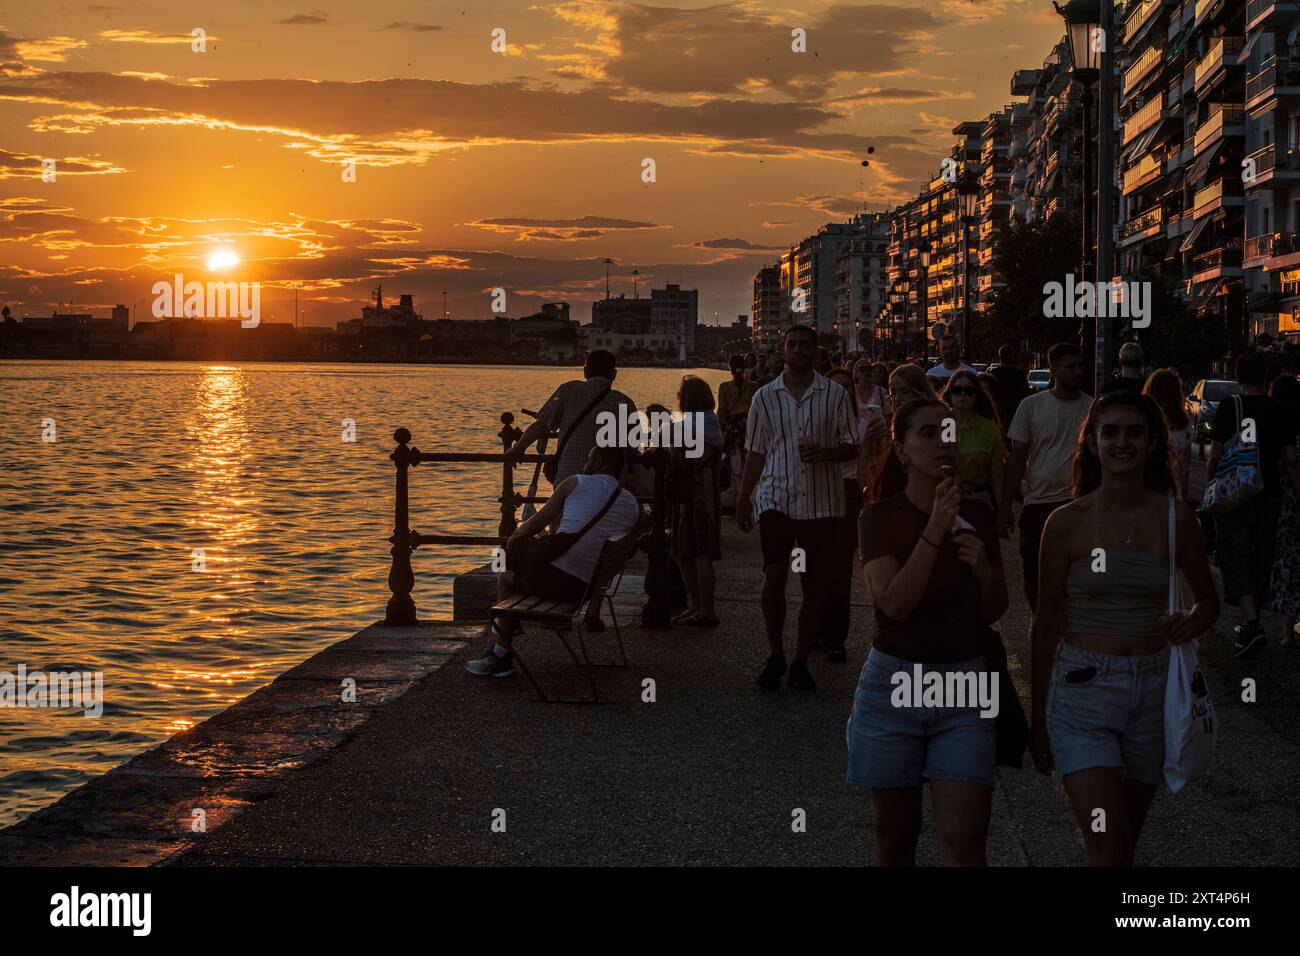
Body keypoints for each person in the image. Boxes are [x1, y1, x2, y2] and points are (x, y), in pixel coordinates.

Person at [1030, 391, 1219, 865]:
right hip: (1083, 692)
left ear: (1154, 442)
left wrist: (1190, 621)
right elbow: (1047, 619)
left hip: (1155, 695)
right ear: (1091, 443)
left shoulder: (1177, 518)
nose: (1122, 442)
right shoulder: (1064, 523)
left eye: (1134, 432)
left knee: (1123, 846)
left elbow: (1210, 600)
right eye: (1109, 431)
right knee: (1109, 847)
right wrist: (1036, 717)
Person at [848, 398, 1008, 865]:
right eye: (928, 433)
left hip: (962, 688)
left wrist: (982, 572)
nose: (943, 442)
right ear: (900, 449)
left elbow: (995, 609)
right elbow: (894, 603)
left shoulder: (977, 514)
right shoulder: (877, 517)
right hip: (893, 686)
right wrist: (935, 527)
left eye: (949, 433)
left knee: (963, 842)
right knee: (895, 839)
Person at [737, 324, 858, 691]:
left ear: (816, 351)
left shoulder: (834, 394)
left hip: (821, 503)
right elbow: (755, 452)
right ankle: (776, 654)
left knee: (813, 586)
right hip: (777, 496)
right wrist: (744, 499)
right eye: (793, 345)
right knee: (774, 576)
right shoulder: (765, 397)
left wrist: (827, 452)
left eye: (806, 345)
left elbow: (852, 443)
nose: (799, 351)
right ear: (783, 349)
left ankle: (801, 659)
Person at [467, 445, 641, 677]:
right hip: (583, 590)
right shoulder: (631, 503)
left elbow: (530, 527)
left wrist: (518, 540)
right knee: (516, 561)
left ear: (598, 462)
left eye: (588, 457)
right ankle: (508, 629)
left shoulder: (575, 482)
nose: (585, 463)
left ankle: (501, 654)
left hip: (556, 584)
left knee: (506, 571)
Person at [1206, 352, 1300, 657]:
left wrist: (1212, 485)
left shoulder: (1230, 406)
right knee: (1262, 556)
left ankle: (1251, 623)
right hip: (1269, 493)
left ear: (1237, 377)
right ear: (1265, 377)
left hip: (1236, 494)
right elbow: (1290, 461)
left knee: (1233, 555)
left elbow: (1216, 454)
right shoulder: (1283, 411)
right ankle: (1251, 623)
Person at [999, 343, 1092, 612]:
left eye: (1080, 365)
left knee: (1075, 570)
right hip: (1039, 501)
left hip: (1077, 502)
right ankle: (1038, 618)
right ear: (1054, 370)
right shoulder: (1032, 406)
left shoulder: (1092, 407)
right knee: (1033, 569)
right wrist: (1006, 506)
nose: (1078, 371)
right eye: (1070, 366)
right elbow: (1016, 458)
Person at [506, 349, 636, 485]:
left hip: (567, 480)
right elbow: (632, 447)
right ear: (614, 374)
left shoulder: (567, 390)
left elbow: (541, 425)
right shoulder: (624, 402)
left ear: (585, 371)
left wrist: (518, 449)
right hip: (606, 486)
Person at [820, 366, 868, 661]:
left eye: (846, 386)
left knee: (839, 569)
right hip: (818, 489)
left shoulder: (864, 421)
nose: (841, 391)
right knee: (812, 567)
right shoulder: (818, 419)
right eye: (834, 385)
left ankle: (836, 638)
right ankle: (814, 627)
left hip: (849, 492)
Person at [669, 376, 724, 626]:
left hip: (694, 498)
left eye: (680, 395)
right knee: (688, 553)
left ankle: (705, 608)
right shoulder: (710, 424)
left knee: (696, 553)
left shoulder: (691, 427)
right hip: (703, 497)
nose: (678, 399)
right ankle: (698, 606)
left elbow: (681, 461)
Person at [857, 363, 936, 490]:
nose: (898, 398)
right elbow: (864, 476)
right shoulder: (889, 427)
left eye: (905, 392)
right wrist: (869, 440)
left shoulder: (940, 421)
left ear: (920, 392)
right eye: (893, 392)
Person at [942, 369, 1005, 514]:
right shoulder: (942, 425)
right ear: (949, 393)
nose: (963, 394)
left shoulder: (988, 429)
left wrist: (1002, 509)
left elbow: (997, 474)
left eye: (969, 390)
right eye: (957, 390)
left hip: (978, 498)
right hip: (946, 497)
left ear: (977, 395)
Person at [1268, 374, 1300, 649]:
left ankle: (1288, 631)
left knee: (1289, 563)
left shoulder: (1274, 426)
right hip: (1291, 502)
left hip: (1286, 505)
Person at [1143, 368, 1193, 501]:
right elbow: (1184, 472)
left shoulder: (1143, 424)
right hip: (1173, 496)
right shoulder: (1184, 428)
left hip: (1145, 494)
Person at [987, 345, 1032, 433]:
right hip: (1015, 413)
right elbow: (1026, 394)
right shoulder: (1019, 374)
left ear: (1000, 357)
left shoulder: (993, 374)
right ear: (1013, 357)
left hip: (997, 413)